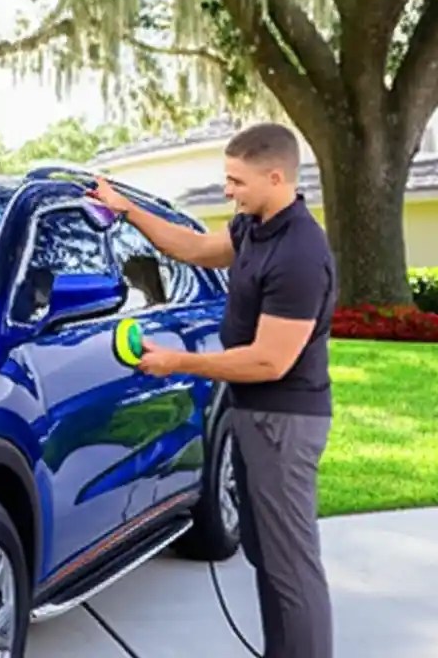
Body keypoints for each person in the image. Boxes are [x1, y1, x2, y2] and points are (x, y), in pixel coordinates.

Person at [87, 122, 337, 658]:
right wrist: (125, 208)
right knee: (268, 556)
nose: (227, 190)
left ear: (276, 177)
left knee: (290, 565)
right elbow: (198, 248)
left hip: (285, 423)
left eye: (236, 181)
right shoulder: (255, 226)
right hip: (255, 415)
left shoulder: (299, 252)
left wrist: (178, 361)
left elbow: (271, 360)